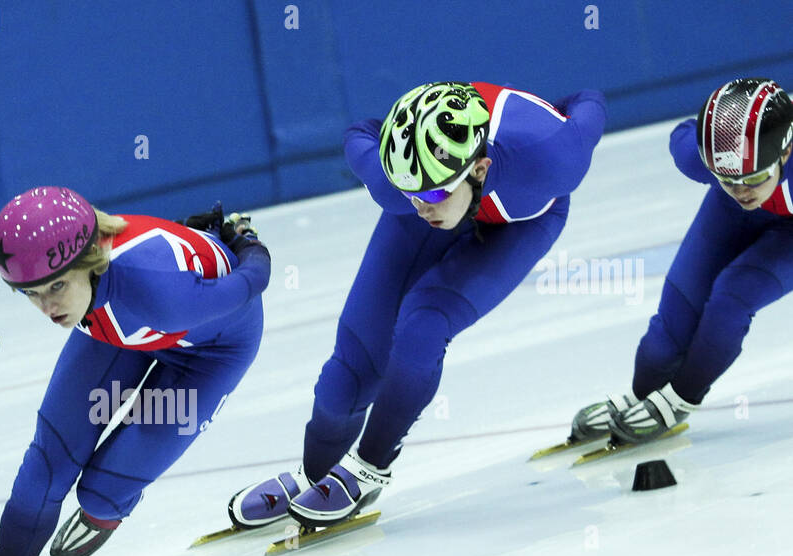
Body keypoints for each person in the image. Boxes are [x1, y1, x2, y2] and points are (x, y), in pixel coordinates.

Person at [228, 81, 606, 528]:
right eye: (413, 193)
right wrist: (419, 190)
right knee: (348, 373)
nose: (422, 205)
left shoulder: (554, 155)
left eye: (432, 194)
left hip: (520, 221)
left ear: (481, 169)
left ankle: (370, 466)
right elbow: (361, 132)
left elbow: (589, 98)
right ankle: (313, 474)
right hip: (451, 185)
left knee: (424, 324)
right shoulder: (400, 186)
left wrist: (553, 107)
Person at [0, 186, 270, 556]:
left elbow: (252, 283)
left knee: (101, 494)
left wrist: (245, 239)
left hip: (208, 352)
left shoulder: (156, 293)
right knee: (48, 463)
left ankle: (107, 508)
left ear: (90, 261)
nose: (48, 308)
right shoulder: (83, 286)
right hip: (115, 327)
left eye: (56, 287)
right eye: (30, 294)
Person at [569, 78, 793, 445]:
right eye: (728, 179)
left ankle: (680, 398)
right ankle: (643, 395)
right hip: (729, 216)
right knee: (668, 330)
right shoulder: (701, 159)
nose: (743, 191)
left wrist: (678, 396)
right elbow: (683, 133)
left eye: (753, 178)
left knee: (732, 298)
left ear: (784, 153)